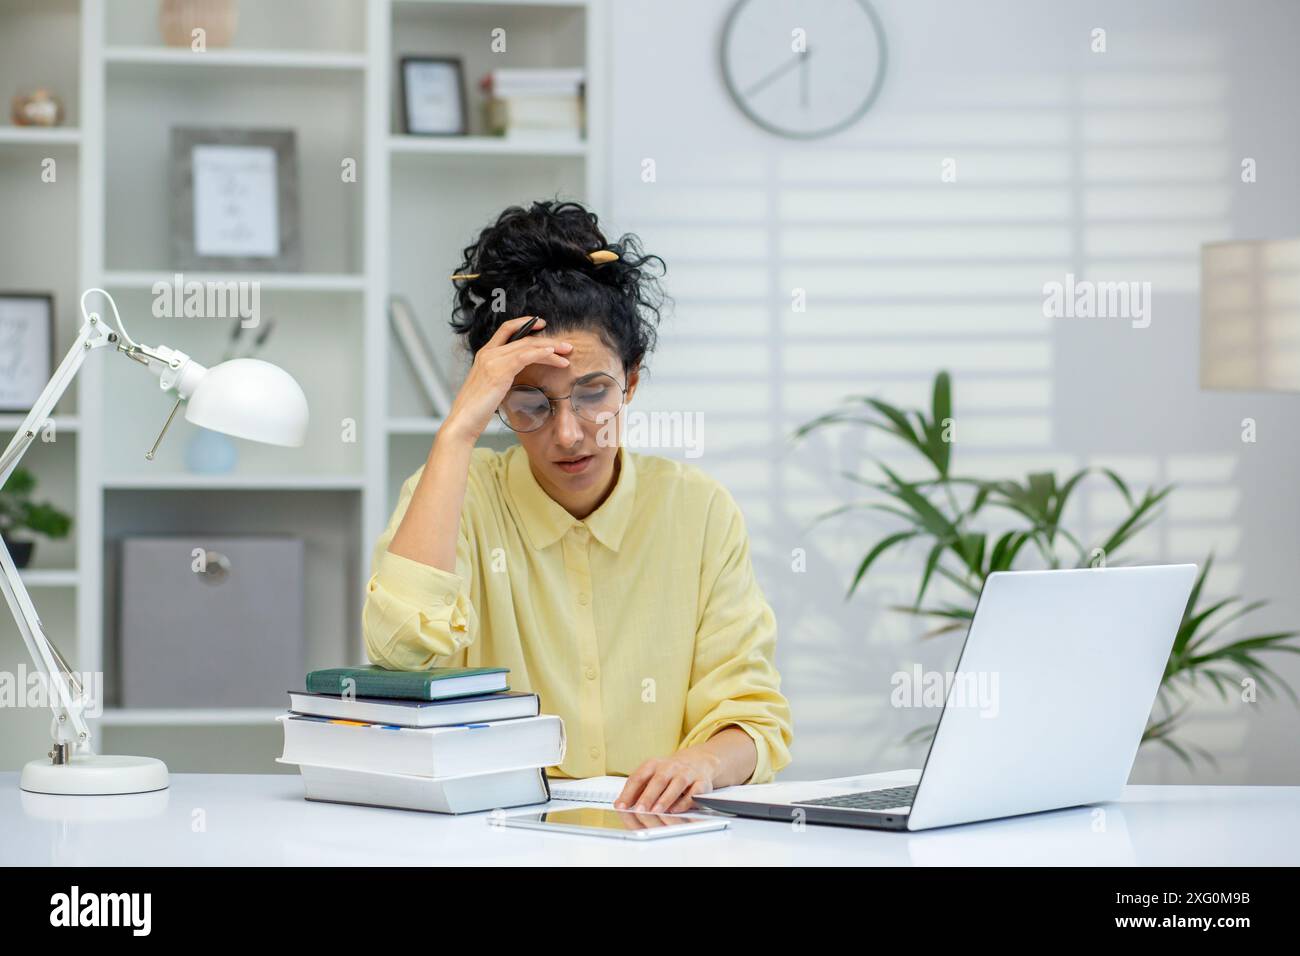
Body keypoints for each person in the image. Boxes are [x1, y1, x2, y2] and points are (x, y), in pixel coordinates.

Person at [363, 199, 792, 813]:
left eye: (594, 394)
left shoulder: (697, 510)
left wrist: (700, 762)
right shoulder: (458, 495)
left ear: (633, 382)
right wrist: (456, 432)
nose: (568, 434)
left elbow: (754, 720)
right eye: (529, 404)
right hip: (491, 840)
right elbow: (398, 651)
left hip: (657, 842)